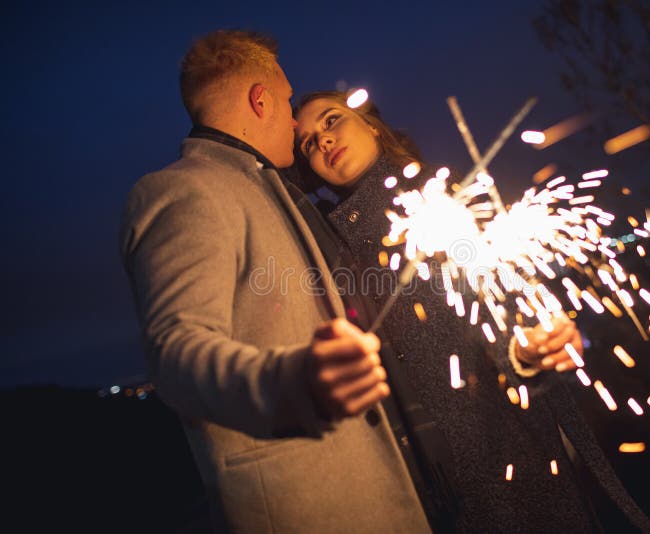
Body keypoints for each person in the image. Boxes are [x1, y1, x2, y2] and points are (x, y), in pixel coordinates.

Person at [293, 91, 650, 532]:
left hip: (504, 438)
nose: (323, 142)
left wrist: (525, 348)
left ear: (371, 125)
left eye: (332, 121)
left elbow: (499, 298)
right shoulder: (329, 240)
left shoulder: (437, 200)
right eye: (309, 143)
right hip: (428, 473)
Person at [119, 31, 433, 533]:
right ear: (260, 99)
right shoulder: (184, 190)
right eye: (288, 103)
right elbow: (175, 352)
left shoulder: (277, 190)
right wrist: (292, 385)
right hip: (313, 511)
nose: (294, 121)